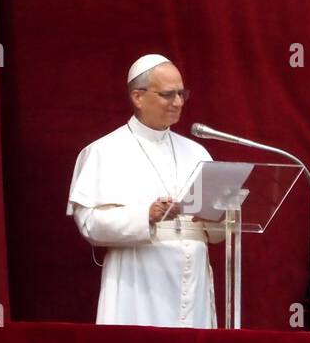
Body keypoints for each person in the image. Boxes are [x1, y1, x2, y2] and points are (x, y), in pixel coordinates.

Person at [67, 53, 219, 327]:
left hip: (193, 284)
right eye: (167, 94)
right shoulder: (104, 152)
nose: (178, 102)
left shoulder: (197, 152)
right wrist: (145, 215)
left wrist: (218, 217)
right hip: (137, 284)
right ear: (138, 97)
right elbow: (89, 224)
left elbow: (219, 231)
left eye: (182, 93)